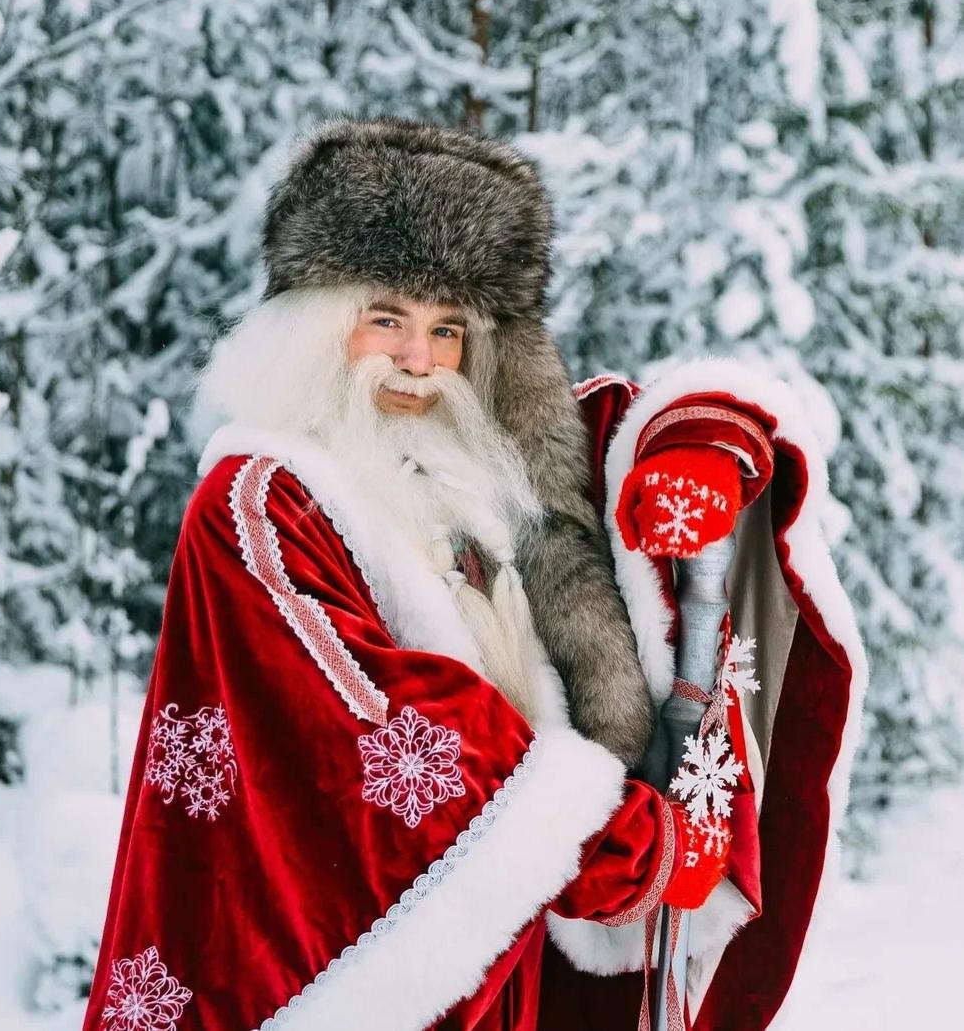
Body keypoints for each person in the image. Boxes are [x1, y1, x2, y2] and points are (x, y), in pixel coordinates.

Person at [83, 117, 867, 1031]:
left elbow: (606, 439)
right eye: (386, 319)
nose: (419, 360)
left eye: (447, 328)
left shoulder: (465, 482)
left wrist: (701, 437)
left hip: (480, 967)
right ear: (316, 321)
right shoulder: (259, 498)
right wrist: (622, 846)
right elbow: (386, 736)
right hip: (320, 978)